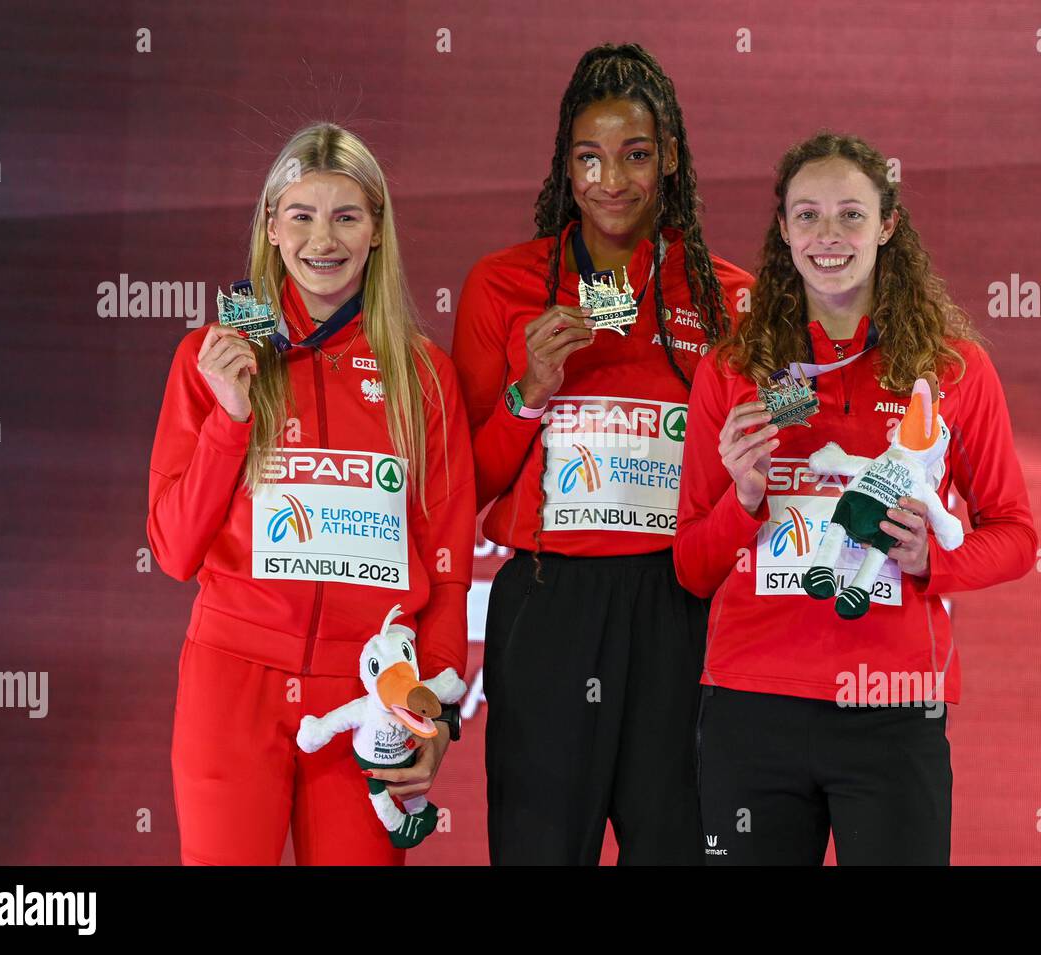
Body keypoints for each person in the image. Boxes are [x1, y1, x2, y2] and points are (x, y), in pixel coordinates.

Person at [674, 131, 1037, 865]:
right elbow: (691, 566)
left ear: (888, 225)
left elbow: (1017, 534)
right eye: (807, 215)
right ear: (782, 229)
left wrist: (932, 557)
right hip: (753, 705)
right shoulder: (735, 368)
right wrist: (742, 497)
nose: (828, 235)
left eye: (850, 214)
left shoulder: (953, 371)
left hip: (892, 705)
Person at [451, 43, 753, 865]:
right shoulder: (502, 286)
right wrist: (530, 391)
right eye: (589, 157)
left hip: (680, 604)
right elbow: (467, 483)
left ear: (671, 160)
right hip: (549, 607)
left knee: (682, 848)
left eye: (635, 155)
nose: (611, 180)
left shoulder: (730, 295)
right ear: (565, 163)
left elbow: (754, 471)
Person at [147, 122, 473, 865]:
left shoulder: (424, 378)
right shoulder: (211, 358)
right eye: (300, 214)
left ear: (378, 230)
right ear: (270, 226)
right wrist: (231, 419)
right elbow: (172, 550)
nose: (322, 238)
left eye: (347, 215)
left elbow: (448, 565)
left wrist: (437, 713)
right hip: (231, 683)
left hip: (363, 693)